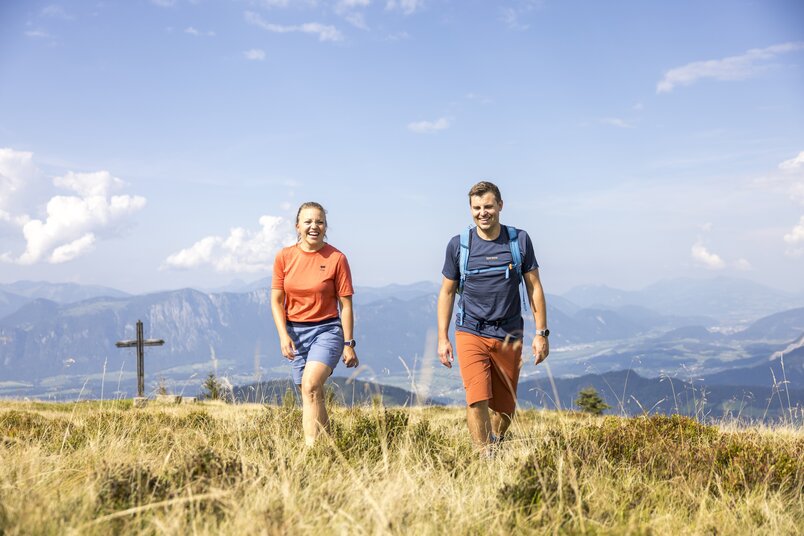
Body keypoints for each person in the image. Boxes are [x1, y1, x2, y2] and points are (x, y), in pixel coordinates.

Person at [437, 181, 549, 452]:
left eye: (488, 206)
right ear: (470, 209)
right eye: (476, 208)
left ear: (500, 206)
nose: (482, 213)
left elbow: (534, 286)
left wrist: (541, 333)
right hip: (470, 330)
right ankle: (483, 455)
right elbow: (447, 292)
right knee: (477, 398)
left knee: (505, 407)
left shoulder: (519, 241)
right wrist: (443, 337)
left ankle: (495, 443)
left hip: (510, 333)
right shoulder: (458, 246)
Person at [270, 201, 358, 446]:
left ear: (326, 226)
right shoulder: (284, 257)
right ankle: (328, 447)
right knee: (310, 394)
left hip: (327, 330)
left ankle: (310, 452)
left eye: (319, 221)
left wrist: (348, 343)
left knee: (310, 385)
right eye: (308, 221)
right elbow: (276, 301)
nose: (314, 226)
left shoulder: (337, 258)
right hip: (295, 333)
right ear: (298, 226)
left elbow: (346, 306)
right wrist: (283, 335)